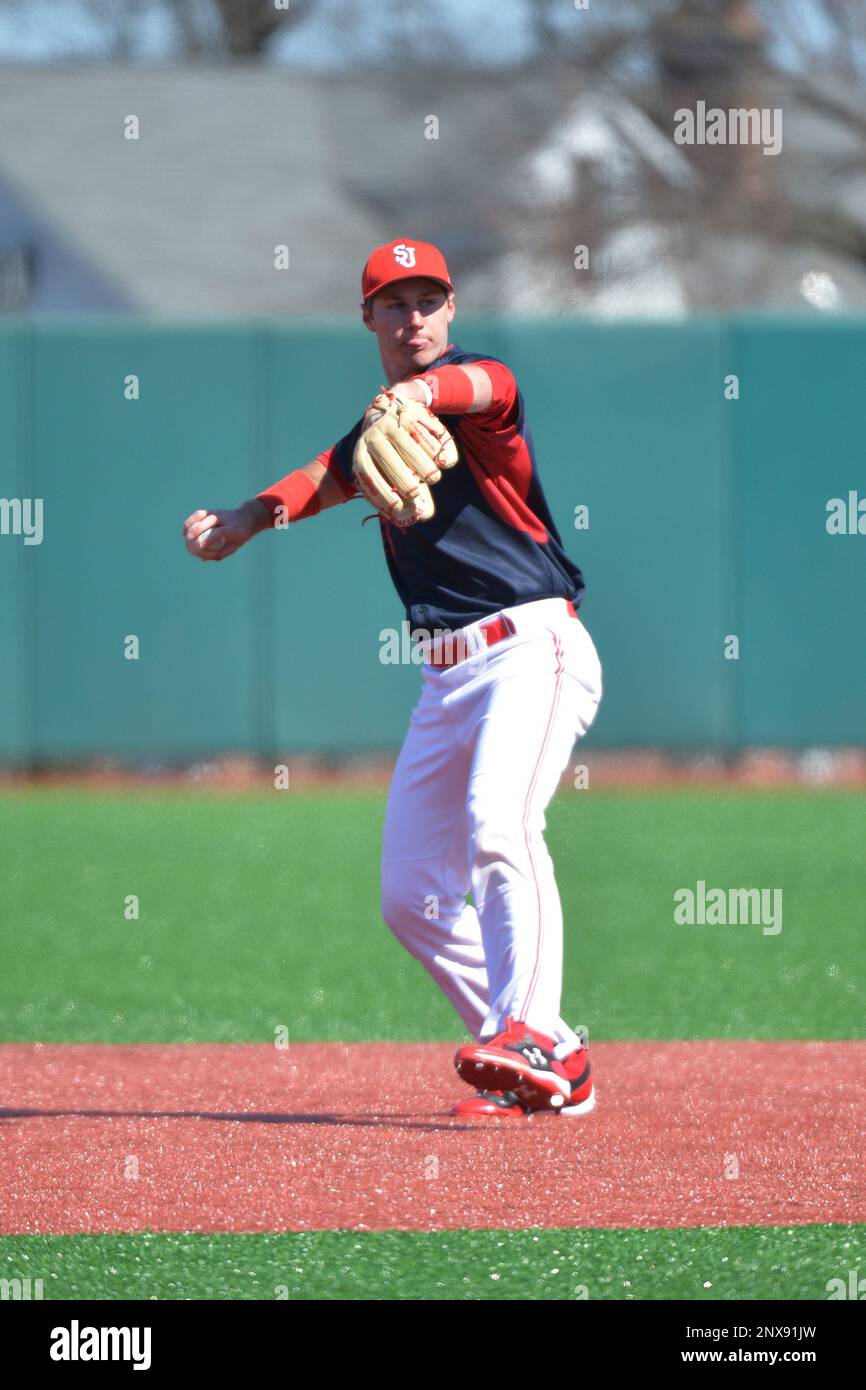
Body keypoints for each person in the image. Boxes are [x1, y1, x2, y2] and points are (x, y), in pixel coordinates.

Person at [182, 237, 603, 1118]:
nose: (412, 317)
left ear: (451, 309)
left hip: (531, 646)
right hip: (445, 676)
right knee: (409, 896)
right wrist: (242, 521)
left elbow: (485, 388)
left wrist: (411, 395)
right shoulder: (377, 426)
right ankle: (549, 1054)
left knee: (500, 823)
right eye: (393, 302)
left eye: (427, 300)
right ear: (367, 316)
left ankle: (524, 1028)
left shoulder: (479, 387)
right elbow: (321, 478)